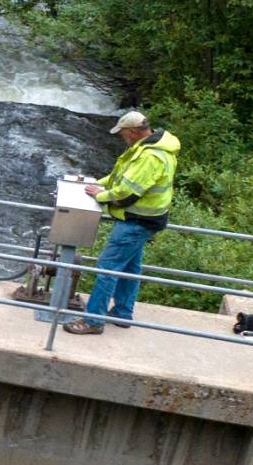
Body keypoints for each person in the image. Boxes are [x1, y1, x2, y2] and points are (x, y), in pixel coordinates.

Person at [63, 110, 180, 335]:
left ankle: (93, 320)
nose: (122, 137)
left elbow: (127, 193)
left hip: (136, 221)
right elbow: (121, 178)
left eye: (124, 133)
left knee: (108, 266)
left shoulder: (149, 156)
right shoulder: (154, 148)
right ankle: (122, 313)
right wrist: (96, 184)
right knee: (129, 268)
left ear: (134, 132)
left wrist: (100, 195)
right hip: (145, 220)